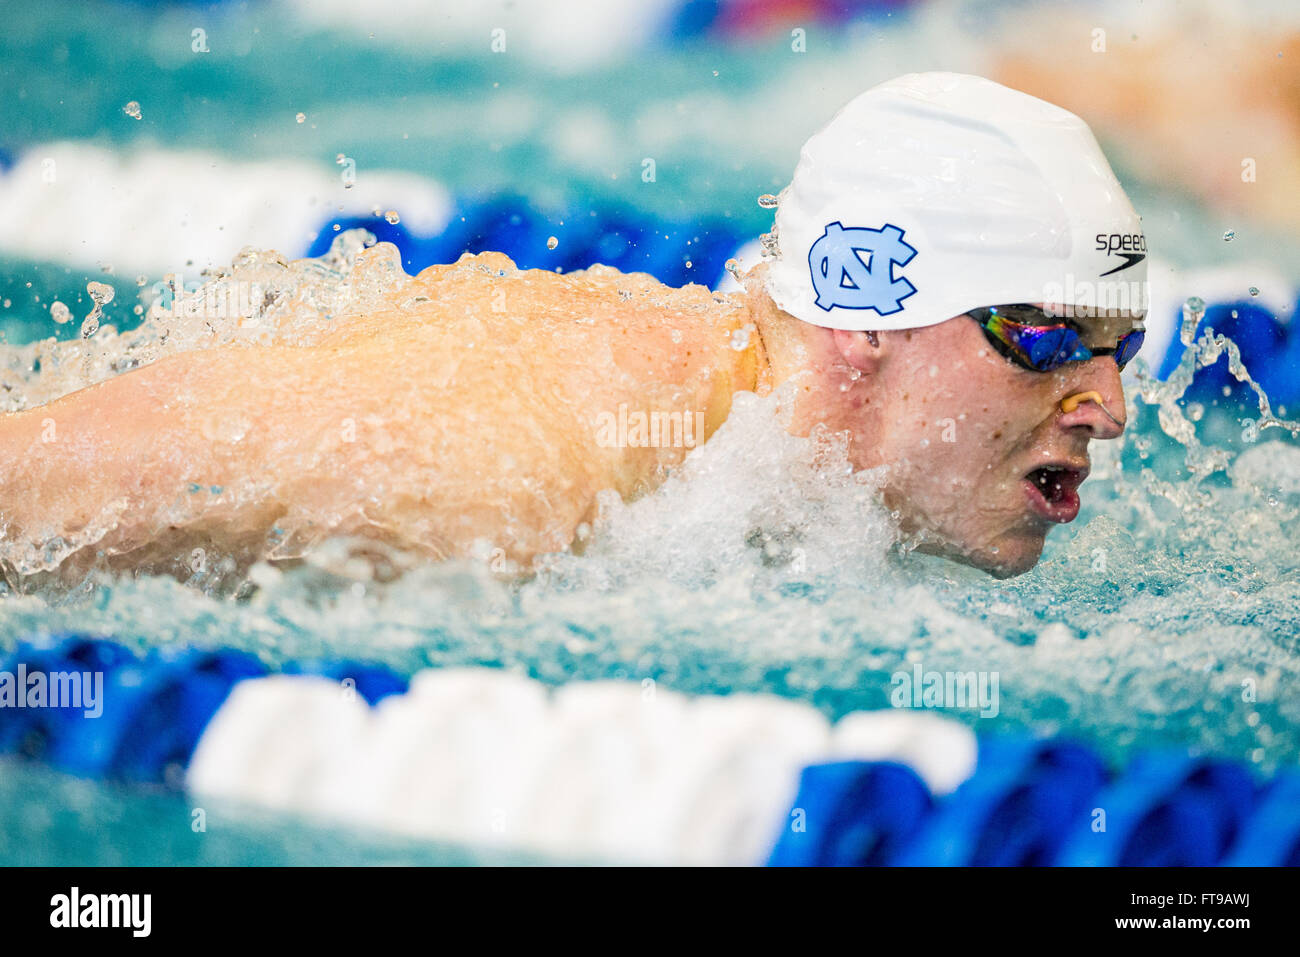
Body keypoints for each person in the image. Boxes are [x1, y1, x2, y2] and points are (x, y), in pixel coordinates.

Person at [0, 73, 1146, 587]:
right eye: (1046, 340)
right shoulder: (503, 464)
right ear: (860, 322)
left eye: (1118, 347)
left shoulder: (744, 454)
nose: (1109, 405)